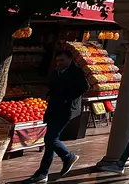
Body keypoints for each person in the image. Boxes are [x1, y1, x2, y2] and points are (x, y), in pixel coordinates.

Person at [25, 50, 89, 183]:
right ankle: (43, 173)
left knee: (50, 138)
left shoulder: (76, 72)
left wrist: (68, 97)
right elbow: (53, 86)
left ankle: (67, 156)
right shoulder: (56, 72)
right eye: (58, 60)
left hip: (66, 109)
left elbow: (84, 87)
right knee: (50, 141)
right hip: (53, 108)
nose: (59, 63)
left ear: (70, 59)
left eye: (62, 60)